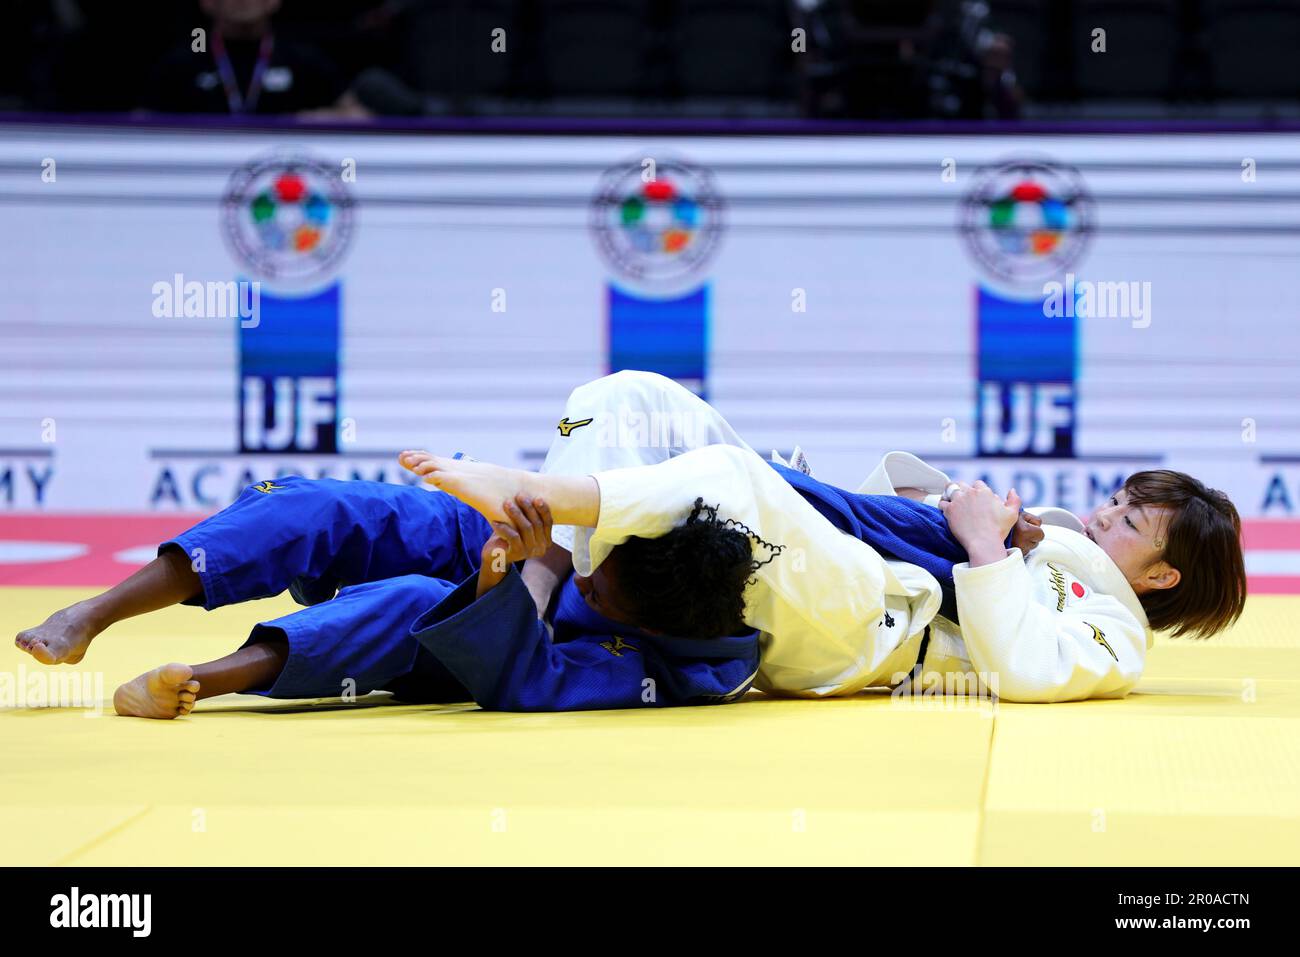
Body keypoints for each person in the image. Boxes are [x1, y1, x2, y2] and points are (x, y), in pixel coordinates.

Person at [406, 371, 1247, 703]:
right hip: (853, 564)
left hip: (868, 630)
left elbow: (1023, 670)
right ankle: (540, 584)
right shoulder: (1058, 539)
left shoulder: (1117, 634)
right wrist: (953, 503)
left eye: (1129, 522)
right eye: (1116, 501)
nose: (1103, 517)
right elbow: (894, 513)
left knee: (736, 486)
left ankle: (539, 507)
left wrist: (986, 546)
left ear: (1165, 577)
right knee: (636, 396)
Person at [14, 476, 762, 717]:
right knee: (326, 508)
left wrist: (517, 577)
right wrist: (551, 533)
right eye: (605, 562)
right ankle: (92, 612)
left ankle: (197, 682)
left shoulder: (678, 662)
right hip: (524, 550)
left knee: (410, 601)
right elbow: (579, 440)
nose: (594, 573)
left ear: (639, 619)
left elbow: (524, 683)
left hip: (492, 629)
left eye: (605, 589)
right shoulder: (693, 501)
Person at [144, 0, 343, 115]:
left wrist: (326, 118)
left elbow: (348, 114)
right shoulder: (182, 62)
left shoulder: (305, 60)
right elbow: (143, 121)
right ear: (207, 3)